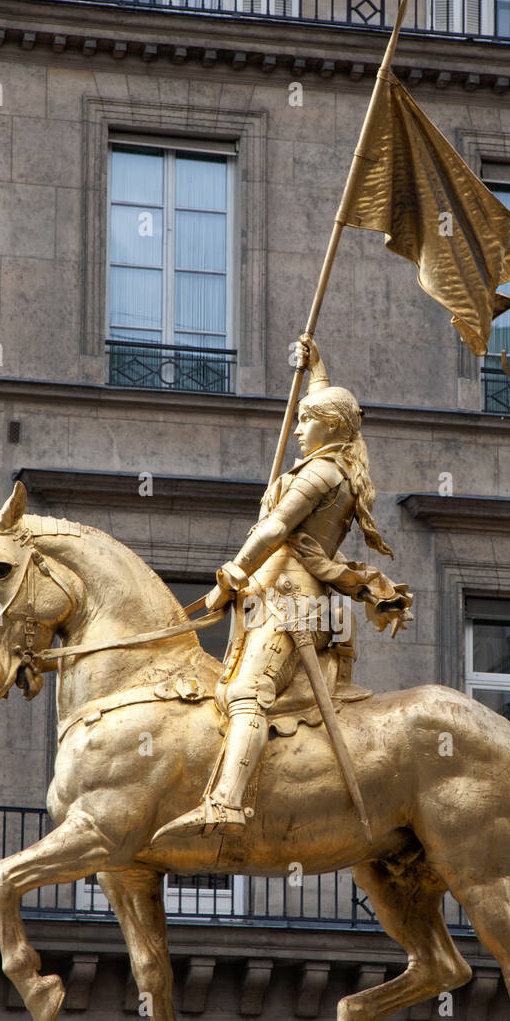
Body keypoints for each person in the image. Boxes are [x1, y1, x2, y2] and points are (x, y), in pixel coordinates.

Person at [152, 336, 413, 841]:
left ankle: (226, 803)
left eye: (306, 421)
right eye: (297, 419)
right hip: (272, 592)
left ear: (330, 429)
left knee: (248, 694)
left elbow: (274, 531)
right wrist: (317, 367)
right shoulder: (332, 460)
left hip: (291, 602)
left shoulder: (321, 471)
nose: (296, 428)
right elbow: (326, 406)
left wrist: (232, 571)